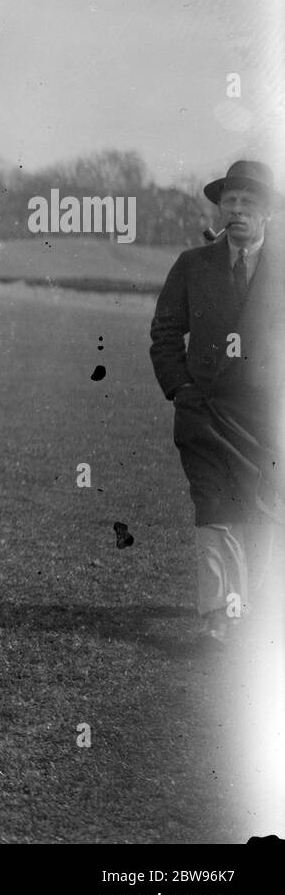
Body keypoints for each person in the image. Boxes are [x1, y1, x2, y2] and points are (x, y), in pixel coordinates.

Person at [150, 159, 284, 646]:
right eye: (229, 201)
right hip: (205, 414)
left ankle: (251, 610)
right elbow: (165, 332)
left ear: (267, 211)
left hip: (269, 421)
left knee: (264, 514)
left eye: (248, 202)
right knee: (215, 511)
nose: (236, 210)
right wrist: (181, 390)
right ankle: (217, 618)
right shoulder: (193, 265)